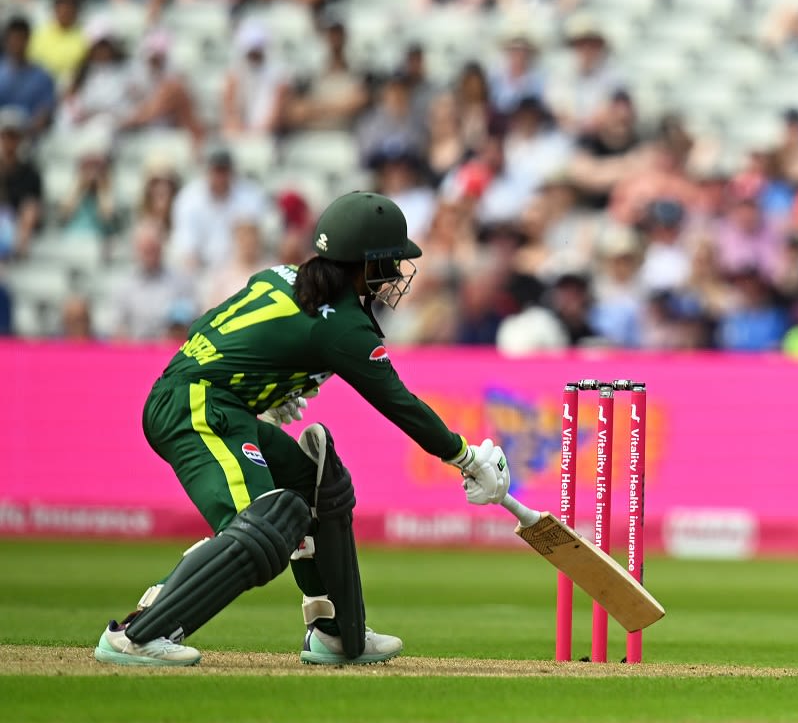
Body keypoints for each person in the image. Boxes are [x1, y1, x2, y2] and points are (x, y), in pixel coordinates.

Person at [94, 192, 512, 667]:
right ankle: (138, 632)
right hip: (197, 409)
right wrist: (464, 456)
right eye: (390, 262)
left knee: (316, 483)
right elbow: (399, 404)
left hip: (217, 403)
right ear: (363, 263)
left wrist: (265, 390)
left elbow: (211, 329)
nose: (396, 274)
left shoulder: (280, 275)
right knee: (263, 524)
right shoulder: (344, 327)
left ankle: (335, 633)